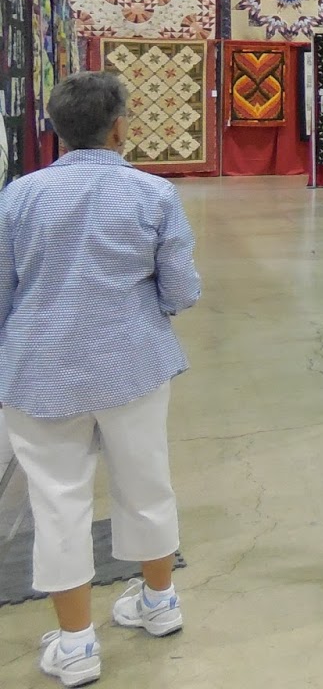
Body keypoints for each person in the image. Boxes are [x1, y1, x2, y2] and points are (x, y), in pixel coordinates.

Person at [0, 72, 201, 686]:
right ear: (119, 126)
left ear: (55, 128)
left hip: (40, 369)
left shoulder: (18, 197)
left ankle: (76, 643)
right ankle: (159, 604)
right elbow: (182, 289)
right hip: (134, 364)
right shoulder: (154, 194)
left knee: (57, 500)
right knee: (147, 482)